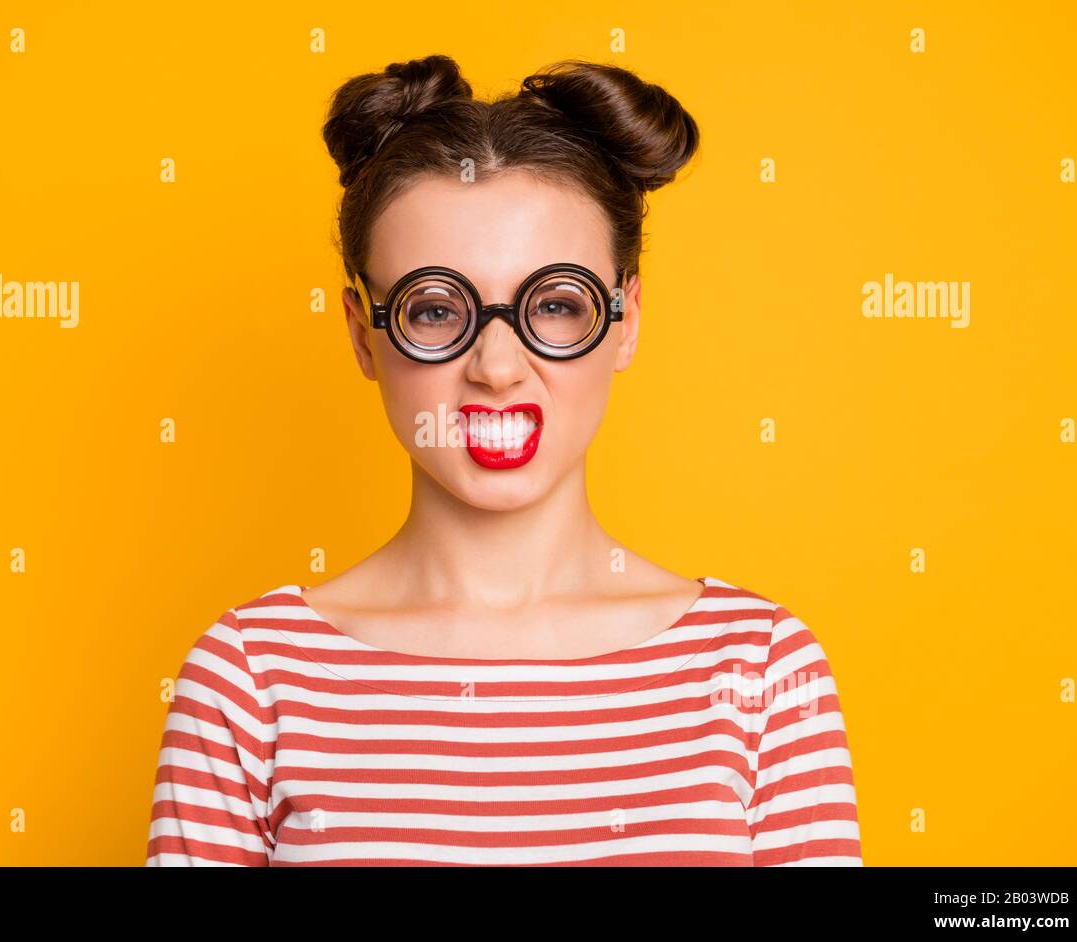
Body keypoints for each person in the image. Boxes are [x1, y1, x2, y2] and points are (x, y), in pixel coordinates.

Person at [146, 54, 862, 866]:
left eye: (555, 305)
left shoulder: (761, 672)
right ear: (361, 336)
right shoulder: (249, 681)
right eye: (434, 308)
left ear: (626, 320)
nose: (496, 365)